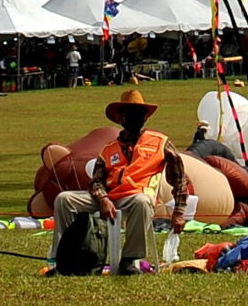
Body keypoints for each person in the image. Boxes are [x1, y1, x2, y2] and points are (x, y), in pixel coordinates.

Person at [48, 88, 189, 275]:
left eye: (139, 113)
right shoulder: (109, 149)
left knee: (142, 202)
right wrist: (103, 199)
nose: (134, 117)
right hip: (107, 197)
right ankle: (64, 259)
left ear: (145, 117)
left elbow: (179, 178)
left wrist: (179, 211)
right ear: (121, 118)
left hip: (136, 196)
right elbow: (95, 182)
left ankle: (130, 260)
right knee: (64, 199)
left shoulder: (160, 142)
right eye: (129, 113)